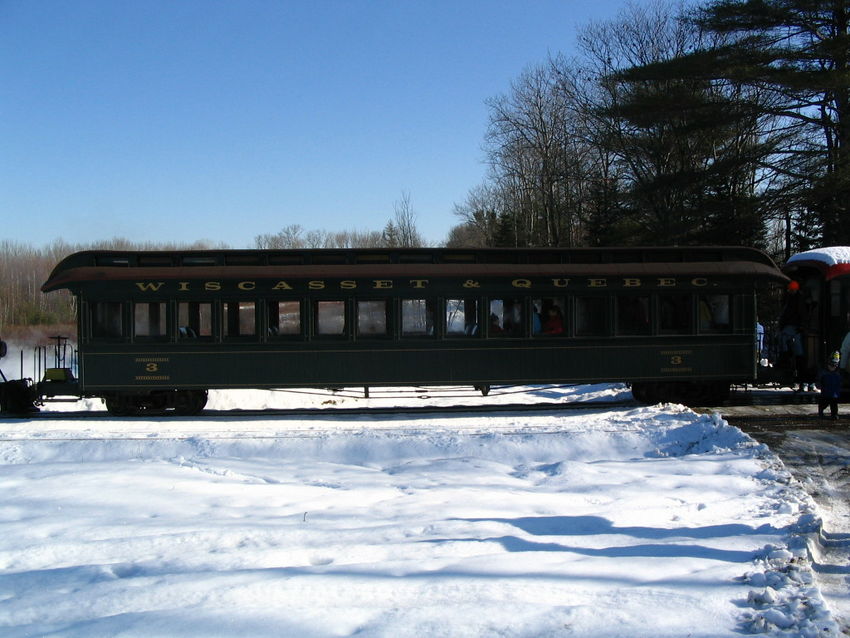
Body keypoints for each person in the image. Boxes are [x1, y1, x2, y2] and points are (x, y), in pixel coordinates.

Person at [818, 351, 842, 420]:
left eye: (834, 366)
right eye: (831, 365)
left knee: (834, 405)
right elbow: (820, 381)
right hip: (826, 392)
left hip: (834, 393)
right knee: (824, 403)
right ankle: (821, 411)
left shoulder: (837, 374)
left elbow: (839, 382)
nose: (832, 367)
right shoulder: (825, 373)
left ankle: (834, 414)